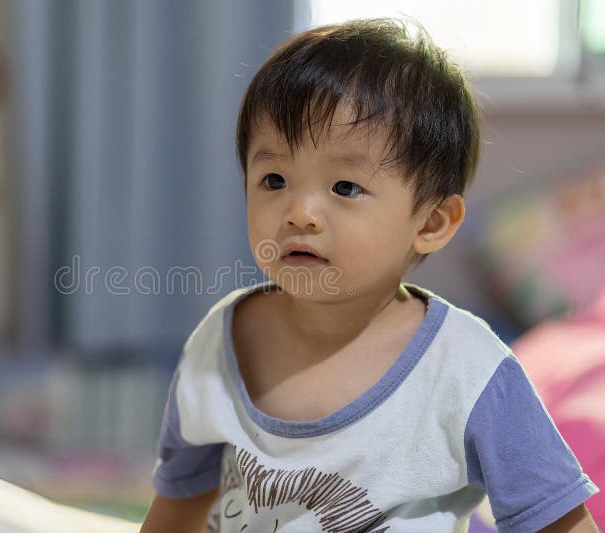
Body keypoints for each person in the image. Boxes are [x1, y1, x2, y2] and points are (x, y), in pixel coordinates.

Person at [140, 19, 600, 533]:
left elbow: (561, 523)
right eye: (274, 179)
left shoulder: (467, 370)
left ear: (430, 222)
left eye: (344, 186)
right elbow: (178, 508)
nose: (300, 213)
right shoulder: (219, 341)